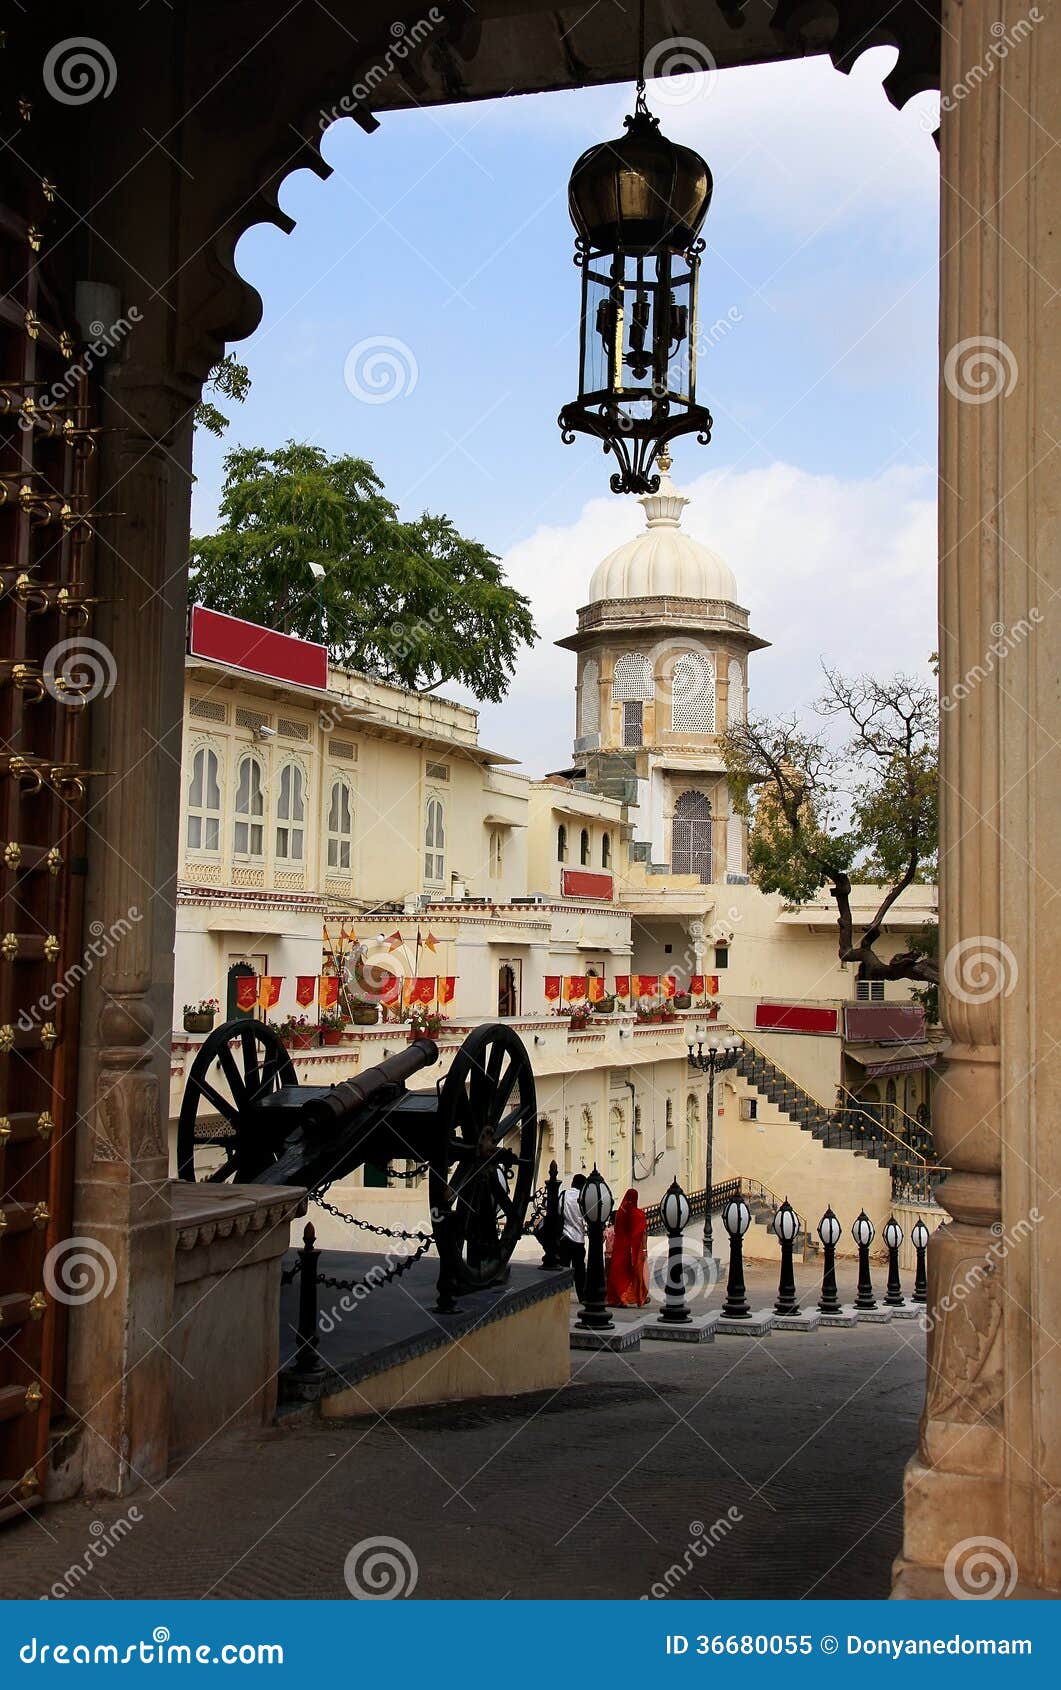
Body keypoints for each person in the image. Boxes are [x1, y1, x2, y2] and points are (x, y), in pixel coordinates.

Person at [606, 1187, 649, 1307]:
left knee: (618, 1272)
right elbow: (641, 1233)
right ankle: (636, 1297)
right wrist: (644, 1249)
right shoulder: (639, 1215)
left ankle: (619, 1298)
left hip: (619, 1247)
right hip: (633, 1248)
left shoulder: (620, 1212)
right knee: (635, 1273)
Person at [558, 1173, 587, 1300]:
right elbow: (587, 1219)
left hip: (564, 1237)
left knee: (563, 1267)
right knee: (579, 1269)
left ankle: (562, 1295)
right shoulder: (584, 1198)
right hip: (578, 1239)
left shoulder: (563, 1195)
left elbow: (558, 1212)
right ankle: (582, 1296)